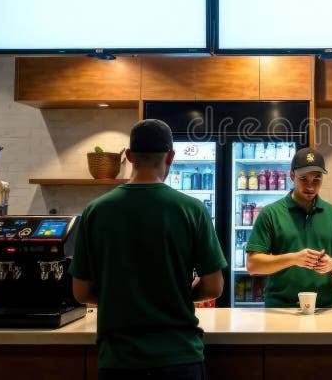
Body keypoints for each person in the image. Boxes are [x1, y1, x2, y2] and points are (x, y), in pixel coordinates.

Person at [70, 119, 227, 380]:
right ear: (171, 157)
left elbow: (81, 292)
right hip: (180, 357)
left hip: (119, 360)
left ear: (129, 156)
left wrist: (122, 298)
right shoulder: (192, 210)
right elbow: (214, 287)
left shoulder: (96, 211)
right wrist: (176, 295)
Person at [246, 147, 332, 308]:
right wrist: (294, 259)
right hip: (280, 309)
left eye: (316, 179)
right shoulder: (270, 213)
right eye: (304, 179)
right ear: (292, 176)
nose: (310, 186)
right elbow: (253, 265)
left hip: (324, 308)